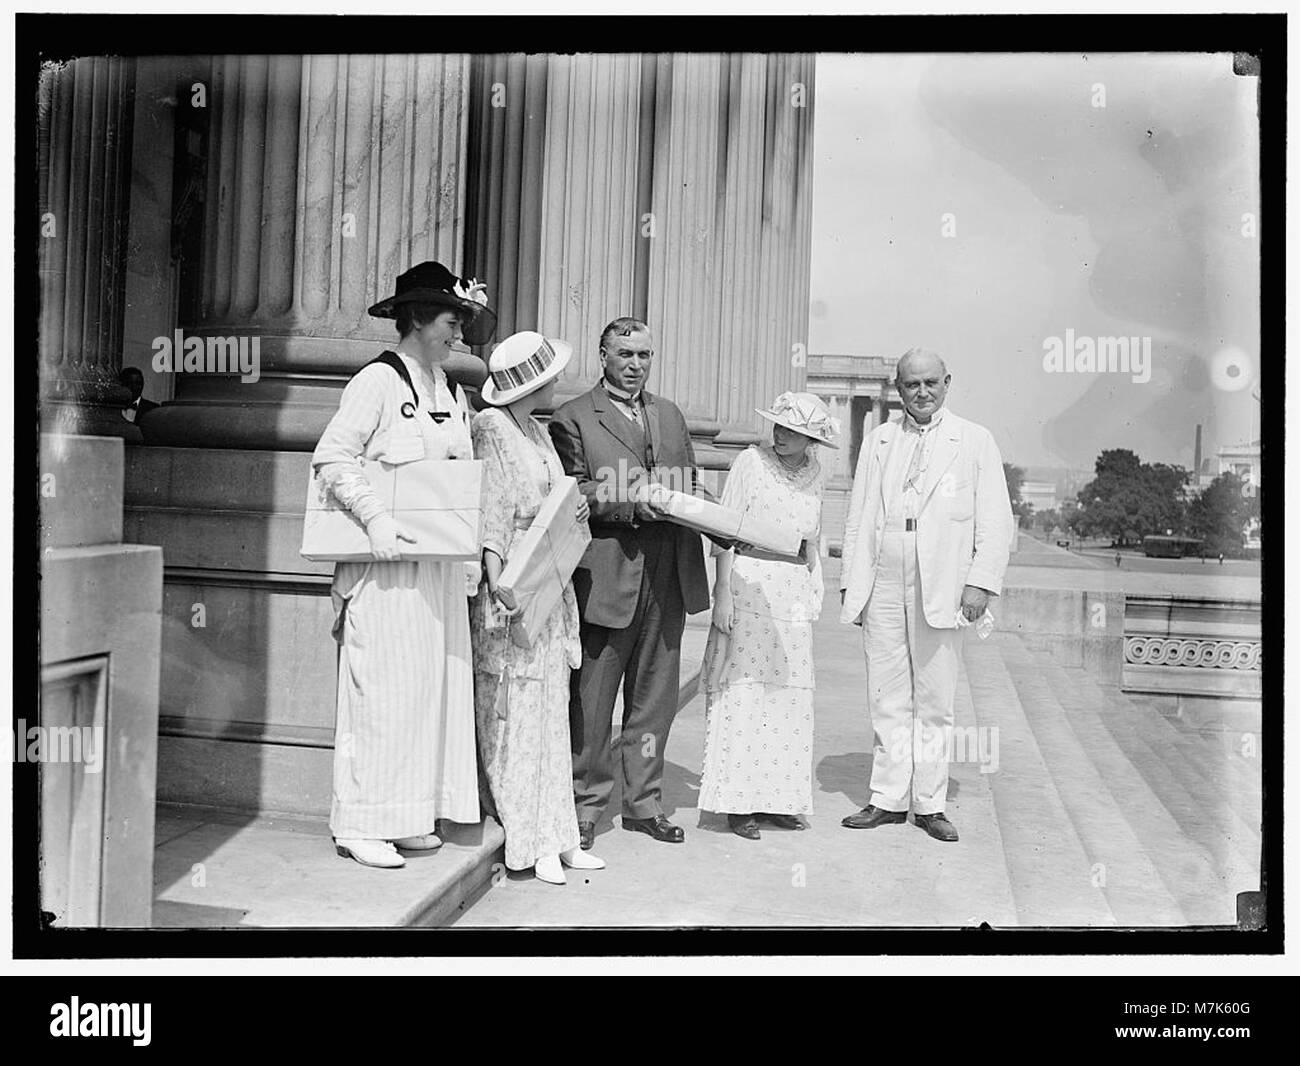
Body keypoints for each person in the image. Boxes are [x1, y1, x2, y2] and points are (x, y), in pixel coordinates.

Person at [311, 260, 496, 869]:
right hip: (385, 568)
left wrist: (468, 553)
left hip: (436, 570)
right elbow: (333, 458)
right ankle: (363, 823)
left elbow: (460, 481)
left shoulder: (448, 389)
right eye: (451, 321)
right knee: (382, 693)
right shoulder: (377, 382)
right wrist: (374, 517)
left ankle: (410, 812)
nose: (457, 334)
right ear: (417, 319)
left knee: (429, 694)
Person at [549, 317, 716, 848]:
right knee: (593, 702)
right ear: (603, 356)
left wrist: (713, 513)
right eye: (624, 354)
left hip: (668, 575)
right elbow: (572, 493)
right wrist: (630, 501)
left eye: (644, 355)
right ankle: (586, 807)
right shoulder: (573, 417)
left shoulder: (669, 414)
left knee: (653, 701)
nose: (635, 365)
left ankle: (644, 804)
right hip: (608, 574)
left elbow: (688, 480)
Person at [839, 348, 1014, 843]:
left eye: (930, 383)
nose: (921, 392)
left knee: (935, 698)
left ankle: (930, 802)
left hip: (941, 580)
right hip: (884, 578)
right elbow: (859, 516)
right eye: (911, 384)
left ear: (946, 383)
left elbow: (996, 521)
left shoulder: (974, 441)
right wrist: (855, 584)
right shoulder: (880, 440)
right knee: (886, 694)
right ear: (898, 388)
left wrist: (981, 581)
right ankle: (888, 798)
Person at [470, 330, 608, 885]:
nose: (556, 382)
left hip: (551, 580)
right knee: (516, 716)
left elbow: (557, 497)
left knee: (550, 711)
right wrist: (499, 585)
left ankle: (560, 834)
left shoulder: (537, 430)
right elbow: (491, 512)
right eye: (548, 374)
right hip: (515, 586)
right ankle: (529, 839)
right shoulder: (491, 428)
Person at [699, 392, 835, 840]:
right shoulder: (750, 463)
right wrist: (722, 591)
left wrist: (814, 591)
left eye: (793, 430)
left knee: (787, 695)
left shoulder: (818, 474)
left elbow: (814, 540)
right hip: (749, 581)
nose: (781, 435)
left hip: (792, 591)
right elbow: (725, 528)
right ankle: (738, 803)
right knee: (745, 689)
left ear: (811, 439)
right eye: (778, 426)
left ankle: (778, 799)